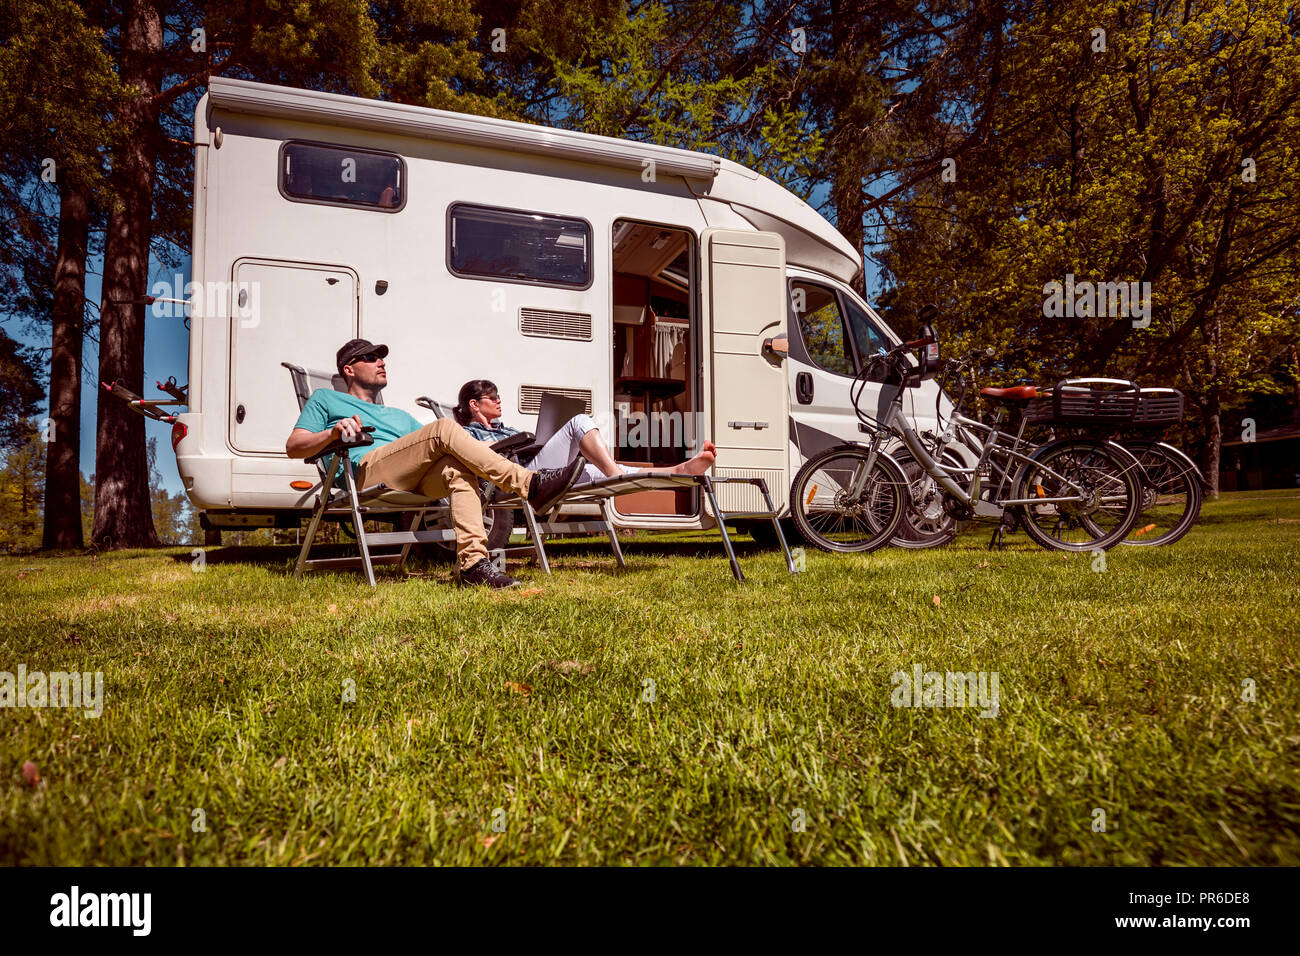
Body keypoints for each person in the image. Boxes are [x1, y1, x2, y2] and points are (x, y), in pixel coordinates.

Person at [285, 340, 587, 589]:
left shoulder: (397, 416)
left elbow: (438, 444)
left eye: (381, 357)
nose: (381, 362)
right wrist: (332, 433)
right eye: (370, 357)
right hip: (364, 469)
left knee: (458, 468)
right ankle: (531, 485)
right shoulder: (326, 399)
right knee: (443, 428)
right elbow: (294, 446)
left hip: (409, 476)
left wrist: (483, 450)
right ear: (348, 369)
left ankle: (472, 566)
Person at [453, 379, 717, 483]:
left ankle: (681, 470)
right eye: (492, 397)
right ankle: (616, 476)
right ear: (474, 405)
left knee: (603, 468)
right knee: (579, 421)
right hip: (522, 476)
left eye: (499, 395)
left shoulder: (505, 428)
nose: (499, 400)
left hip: (536, 465)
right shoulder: (469, 433)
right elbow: (479, 457)